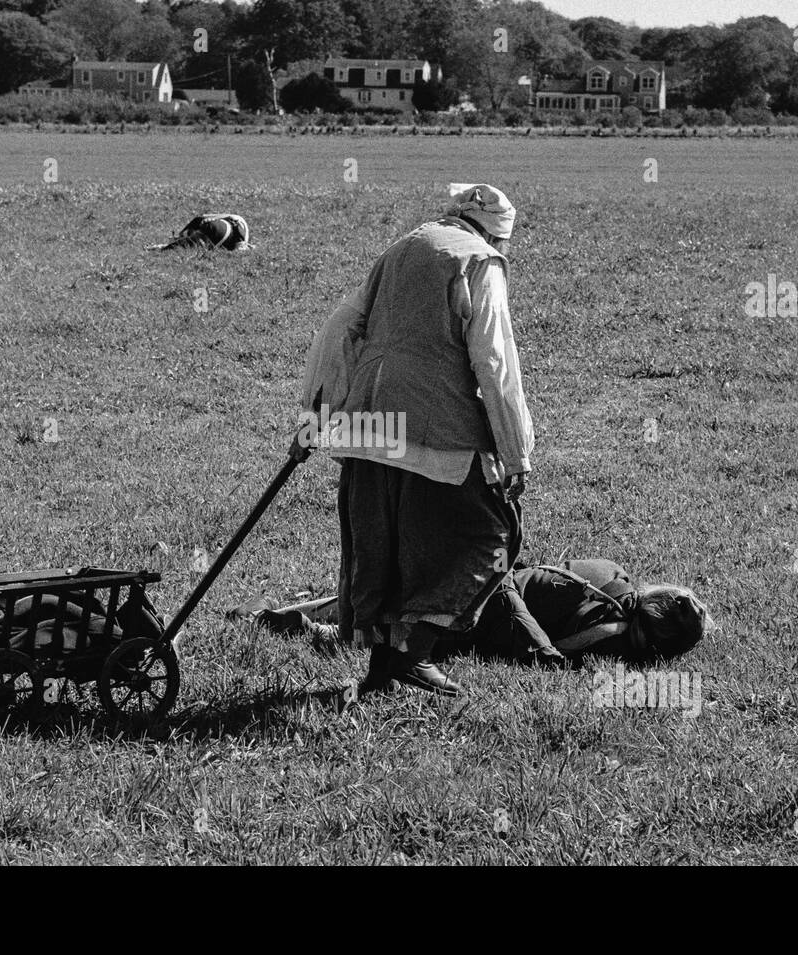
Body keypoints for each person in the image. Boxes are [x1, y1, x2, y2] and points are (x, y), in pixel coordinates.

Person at [299, 183, 534, 698]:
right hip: (431, 425)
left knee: (387, 547)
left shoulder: (399, 249)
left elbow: (339, 328)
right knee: (487, 539)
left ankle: (388, 663)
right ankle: (409, 655)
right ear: (497, 234)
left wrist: (315, 415)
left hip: (364, 422)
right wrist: (516, 451)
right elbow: (494, 361)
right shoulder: (481, 261)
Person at [231, 559, 710, 667]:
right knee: (424, 636)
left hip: (494, 576)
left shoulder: (615, 576)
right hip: (496, 604)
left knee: (396, 604)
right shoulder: (613, 626)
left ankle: (289, 613)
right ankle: (317, 630)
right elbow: (558, 651)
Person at [149, 214, 251, 251]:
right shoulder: (201, 222)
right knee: (189, 239)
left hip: (230, 227)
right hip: (226, 224)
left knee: (194, 243)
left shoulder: (239, 239)